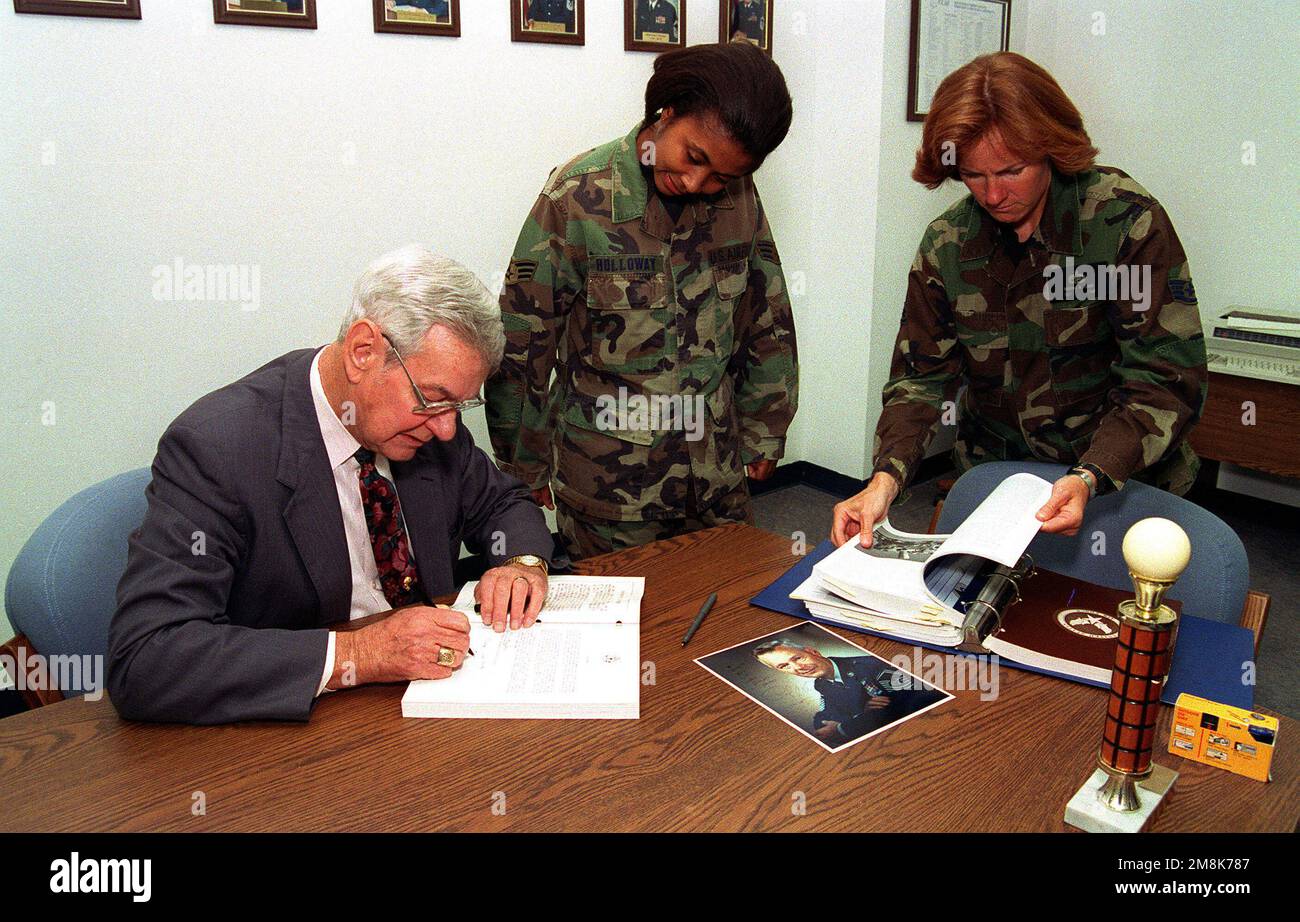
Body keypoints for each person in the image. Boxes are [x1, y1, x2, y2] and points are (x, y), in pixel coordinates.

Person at [108, 246, 554, 725]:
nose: (446, 430)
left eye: (459, 407)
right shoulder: (216, 449)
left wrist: (521, 562)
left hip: (438, 695)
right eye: (435, 400)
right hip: (301, 731)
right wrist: (359, 653)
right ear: (364, 351)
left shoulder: (423, 422)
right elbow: (147, 657)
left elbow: (503, 501)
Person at [833, 52, 1206, 548]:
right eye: (973, 175)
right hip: (998, 488)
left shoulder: (1123, 222)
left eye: (1011, 171)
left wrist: (1091, 474)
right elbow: (921, 381)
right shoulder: (948, 243)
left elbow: (1163, 379)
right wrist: (885, 482)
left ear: (1051, 146)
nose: (991, 195)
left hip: (1125, 486)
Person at [487, 41, 798, 559]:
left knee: (729, 616)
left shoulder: (738, 199)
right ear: (667, 110)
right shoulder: (577, 198)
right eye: (694, 157)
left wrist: (767, 427)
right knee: (620, 629)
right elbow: (523, 342)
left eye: (721, 175)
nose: (699, 182)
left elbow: (766, 316)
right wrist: (524, 467)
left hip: (715, 474)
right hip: (611, 489)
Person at [754, 641, 945, 745]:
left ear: (813, 651)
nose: (797, 668)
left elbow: (914, 700)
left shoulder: (868, 665)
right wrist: (862, 713)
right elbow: (822, 720)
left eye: (797, 657)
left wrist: (842, 726)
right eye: (784, 666)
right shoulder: (822, 685)